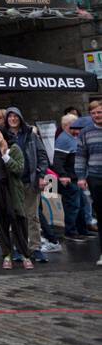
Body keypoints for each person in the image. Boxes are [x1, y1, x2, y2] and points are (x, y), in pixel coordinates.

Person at [0, 125, 32, 270]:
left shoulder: (14, 149)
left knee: (19, 223)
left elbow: (19, 169)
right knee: (1, 226)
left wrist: (5, 155)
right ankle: (7, 255)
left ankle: (25, 255)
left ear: (2, 132)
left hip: (14, 192)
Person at [4, 107, 49, 263]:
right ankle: (18, 247)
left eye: (16, 116)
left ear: (20, 118)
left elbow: (42, 155)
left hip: (30, 180)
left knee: (32, 216)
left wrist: (41, 175)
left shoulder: (30, 134)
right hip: (12, 182)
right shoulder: (3, 135)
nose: (13, 119)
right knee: (15, 216)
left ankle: (35, 247)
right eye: (10, 117)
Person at [73, 99, 102, 264]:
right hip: (95, 178)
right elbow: (81, 156)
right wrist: (81, 177)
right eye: (94, 113)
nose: (97, 115)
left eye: (99, 112)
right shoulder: (86, 132)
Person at [55, 115, 91, 242]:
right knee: (72, 207)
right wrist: (63, 176)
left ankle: (82, 230)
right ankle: (70, 232)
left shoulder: (73, 137)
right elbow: (58, 161)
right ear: (67, 126)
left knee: (80, 205)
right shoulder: (63, 139)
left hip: (77, 178)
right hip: (70, 179)